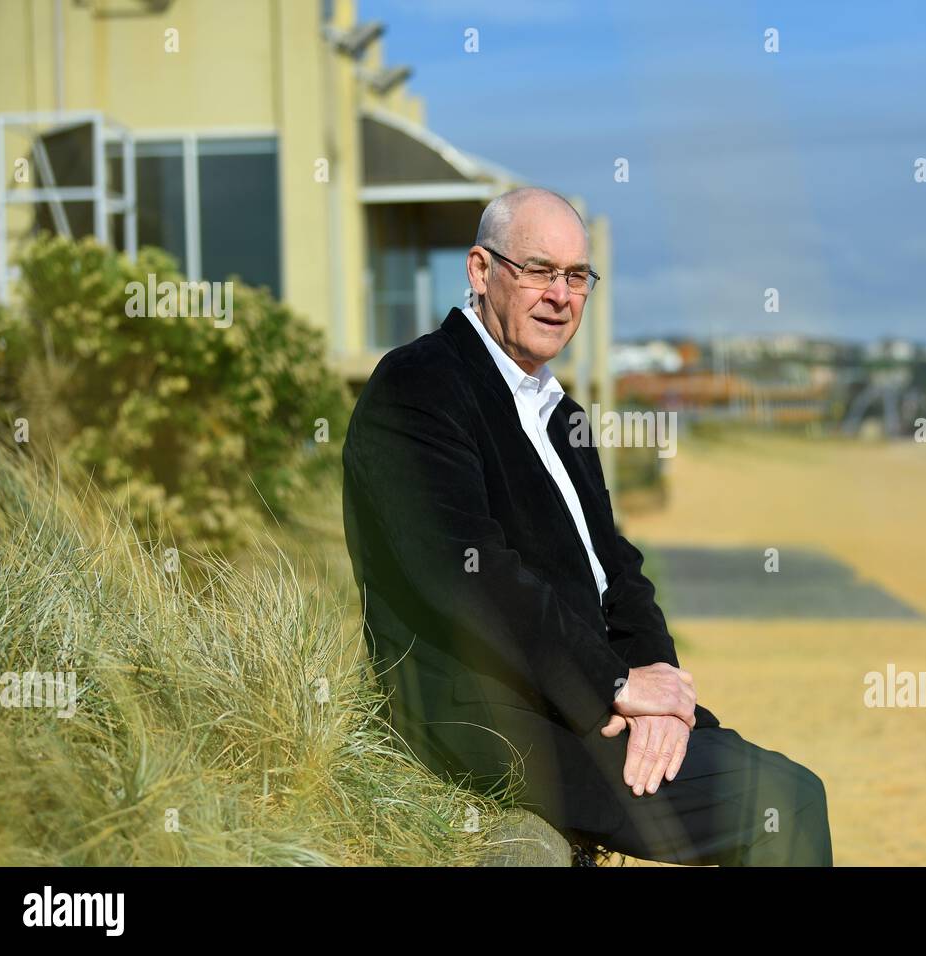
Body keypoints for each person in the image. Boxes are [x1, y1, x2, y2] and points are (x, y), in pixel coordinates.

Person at [341, 186, 832, 865]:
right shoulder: (418, 385)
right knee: (785, 803)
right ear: (481, 271)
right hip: (485, 714)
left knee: (782, 787)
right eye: (539, 270)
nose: (560, 295)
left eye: (577, 277)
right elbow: (465, 575)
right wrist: (614, 684)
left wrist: (656, 678)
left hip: (576, 698)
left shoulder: (561, 412)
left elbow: (616, 568)